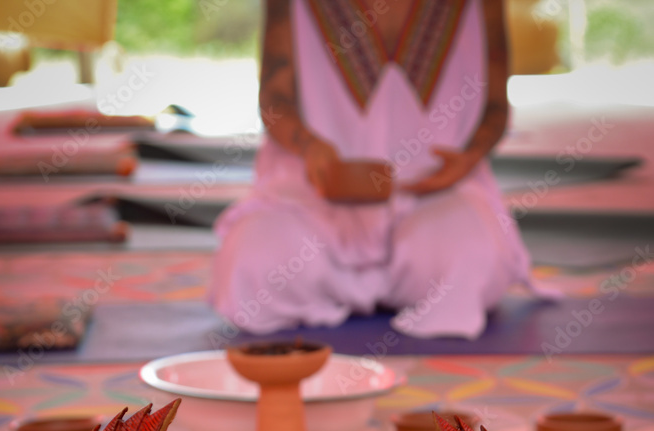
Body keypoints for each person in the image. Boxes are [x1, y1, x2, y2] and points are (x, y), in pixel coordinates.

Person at [209, 0, 538, 339]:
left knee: (471, 258)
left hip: (434, 196)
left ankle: (380, 283)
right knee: (251, 263)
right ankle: (366, 285)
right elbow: (274, 97)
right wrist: (308, 146)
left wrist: (469, 158)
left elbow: (497, 105)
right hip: (312, 200)